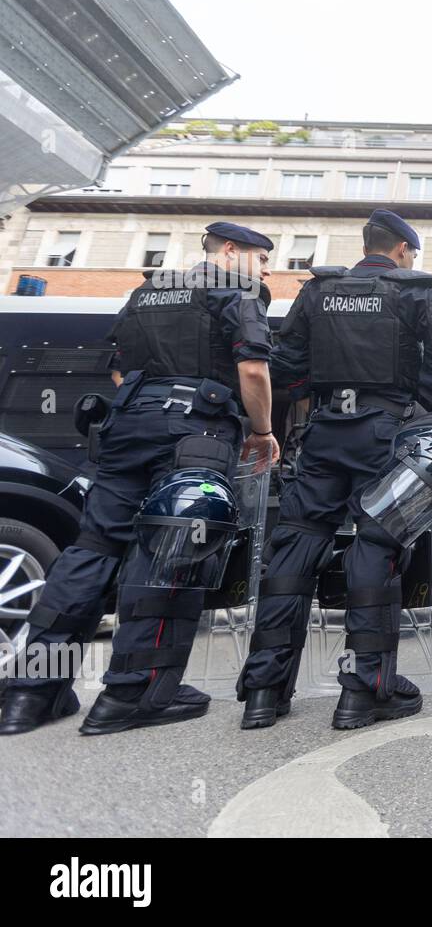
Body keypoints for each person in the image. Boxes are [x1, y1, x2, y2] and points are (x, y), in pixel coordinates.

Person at [0, 222, 278, 735]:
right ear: (233, 252)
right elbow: (255, 371)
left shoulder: (149, 290)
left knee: (91, 551)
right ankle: (133, 694)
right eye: (263, 258)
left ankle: (30, 694)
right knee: (170, 554)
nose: (267, 270)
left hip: (126, 426)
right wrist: (262, 432)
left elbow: (116, 370)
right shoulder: (237, 292)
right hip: (193, 432)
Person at [236, 209, 432, 731]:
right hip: (383, 433)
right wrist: (408, 408)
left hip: (323, 432)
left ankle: (264, 693)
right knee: (376, 552)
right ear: (402, 250)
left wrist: (321, 399)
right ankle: (364, 692)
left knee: (292, 551)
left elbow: (285, 363)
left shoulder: (319, 291)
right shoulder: (415, 291)